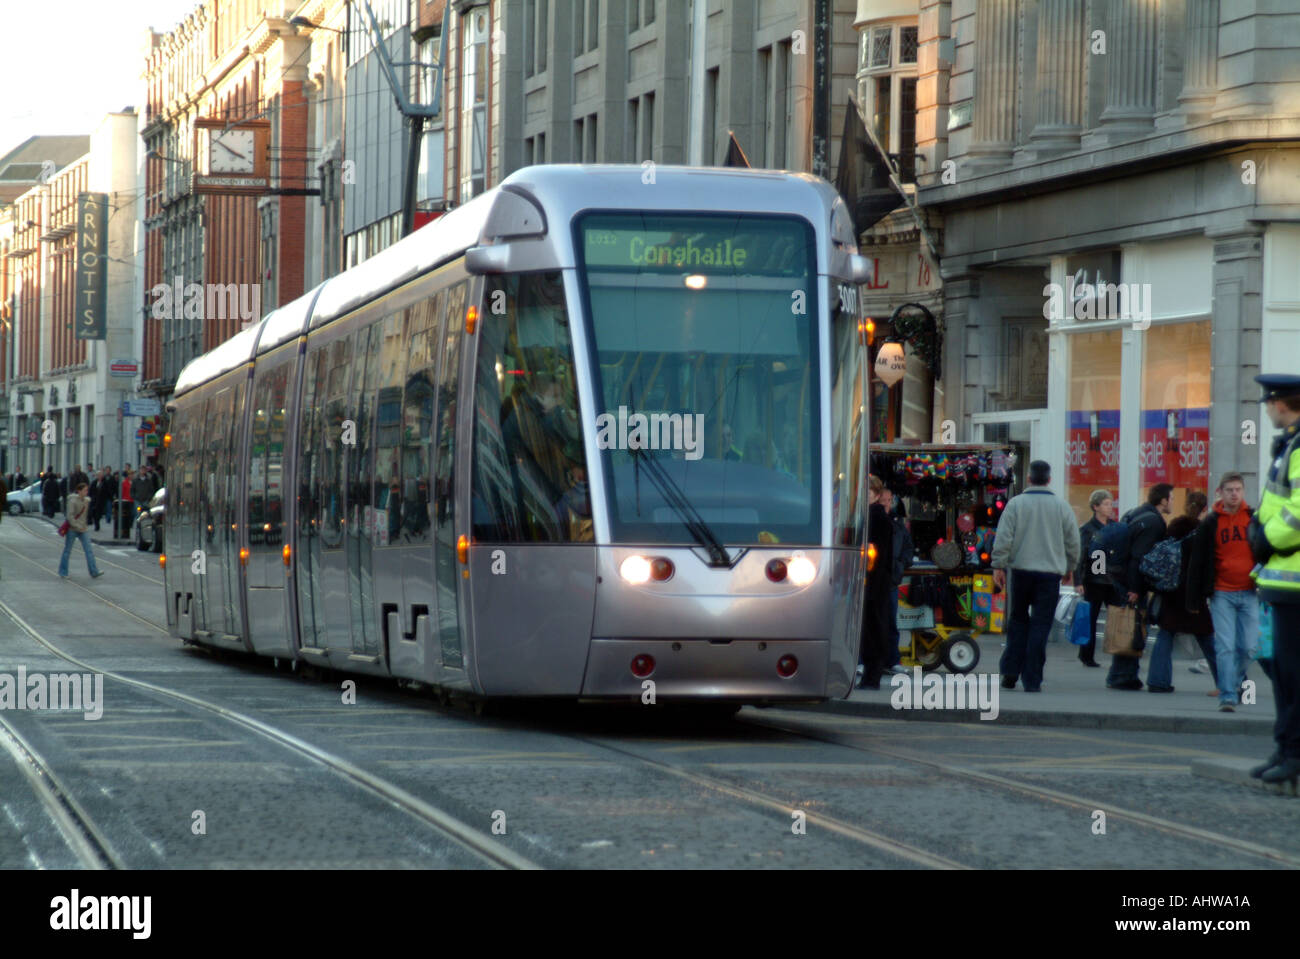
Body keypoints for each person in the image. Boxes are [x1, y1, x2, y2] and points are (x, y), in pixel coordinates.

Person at [991, 460, 1081, 692]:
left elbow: (1003, 538)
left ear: (1029, 478)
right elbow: (1073, 542)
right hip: (1050, 575)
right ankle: (1032, 679)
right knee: (1041, 625)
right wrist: (1070, 567)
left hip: (1021, 572)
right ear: (1049, 480)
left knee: (1018, 620)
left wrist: (998, 565)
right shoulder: (1062, 507)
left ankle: (1010, 672)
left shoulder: (1015, 504)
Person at [1249, 374, 1300, 785]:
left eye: (1268, 403)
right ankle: (1285, 747)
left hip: (1294, 581)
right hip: (1282, 582)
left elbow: (1297, 513)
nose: (1266, 409)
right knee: (1281, 670)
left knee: (1293, 672)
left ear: (1282, 402)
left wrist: (1265, 537)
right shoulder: (1289, 444)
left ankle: (1294, 752)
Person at [1189, 472, 1258, 712]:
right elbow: (1197, 561)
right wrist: (1194, 597)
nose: (1234, 494)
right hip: (1221, 593)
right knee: (1225, 646)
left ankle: (1235, 681)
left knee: (1250, 647)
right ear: (1220, 492)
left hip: (1250, 591)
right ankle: (1227, 695)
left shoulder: (1252, 517)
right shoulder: (1211, 522)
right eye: (1229, 490)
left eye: (1238, 489)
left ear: (1243, 491)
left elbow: (1264, 550)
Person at [1106, 483, 1173, 691]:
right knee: (1132, 627)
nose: (1172, 502)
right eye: (1170, 498)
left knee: (1126, 625)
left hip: (1119, 576)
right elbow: (1138, 557)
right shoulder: (1154, 522)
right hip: (1132, 581)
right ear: (1163, 500)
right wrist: (1135, 588)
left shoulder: (1134, 513)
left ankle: (1120, 674)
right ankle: (1122, 676)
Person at [1147, 510, 1215, 693]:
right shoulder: (1196, 543)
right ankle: (1228, 682)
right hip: (1193, 597)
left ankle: (1157, 680)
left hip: (1170, 595)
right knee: (1208, 639)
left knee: (1165, 636)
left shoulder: (1169, 543)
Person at [857, 474, 894, 689]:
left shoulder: (876, 518)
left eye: (868, 492)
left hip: (874, 580)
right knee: (872, 628)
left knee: (873, 628)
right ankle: (871, 674)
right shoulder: (872, 516)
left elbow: (876, 555)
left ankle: (872, 675)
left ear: (876, 495)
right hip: (874, 580)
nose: (865, 495)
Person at [1075, 489, 1118, 668]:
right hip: (1094, 578)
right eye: (1106, 504)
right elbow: (1080, 556)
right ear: (1096, 507)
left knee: (1117, 616)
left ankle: (1119, 652)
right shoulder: (1087, 529)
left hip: (1112, 578)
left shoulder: (1114, 527)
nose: (1110, 507)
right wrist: (1078, 580)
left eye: (1110, 504)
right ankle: (1087, 655)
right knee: (1091, 618)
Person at [880, 487, 913, 675]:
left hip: (891, 578)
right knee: (871, 622)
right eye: (883, 500)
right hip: (875, 577)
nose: (886, 504)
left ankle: (892, 659)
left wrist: (900, 565)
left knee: (891, 621)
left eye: (888, 500)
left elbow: (908, 547)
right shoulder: (873, 519)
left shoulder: (897, 523)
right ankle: (867, 660)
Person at [58, 481, 103, 580]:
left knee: (89, 550)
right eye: (85, 490)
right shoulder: (72, 501)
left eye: (87, 490)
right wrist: (77, 526)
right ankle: (63, 571)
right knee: (67, 550)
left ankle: (94, 571)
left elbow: (86, 512)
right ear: (79, 491)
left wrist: (84, 525)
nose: (86, 492)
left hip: (83, 529)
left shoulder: (86, 501)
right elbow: (70, 516)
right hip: (72, 529)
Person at [118, 466, 134, 538]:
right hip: (126, 500)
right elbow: (122, 492)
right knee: (128, 514)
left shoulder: (134, 482)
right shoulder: (124, 483)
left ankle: (131, 524)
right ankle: (128, 525)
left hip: (133, 500)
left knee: (133, 513)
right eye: (130, 474)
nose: (131, 476)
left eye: (132, 474)